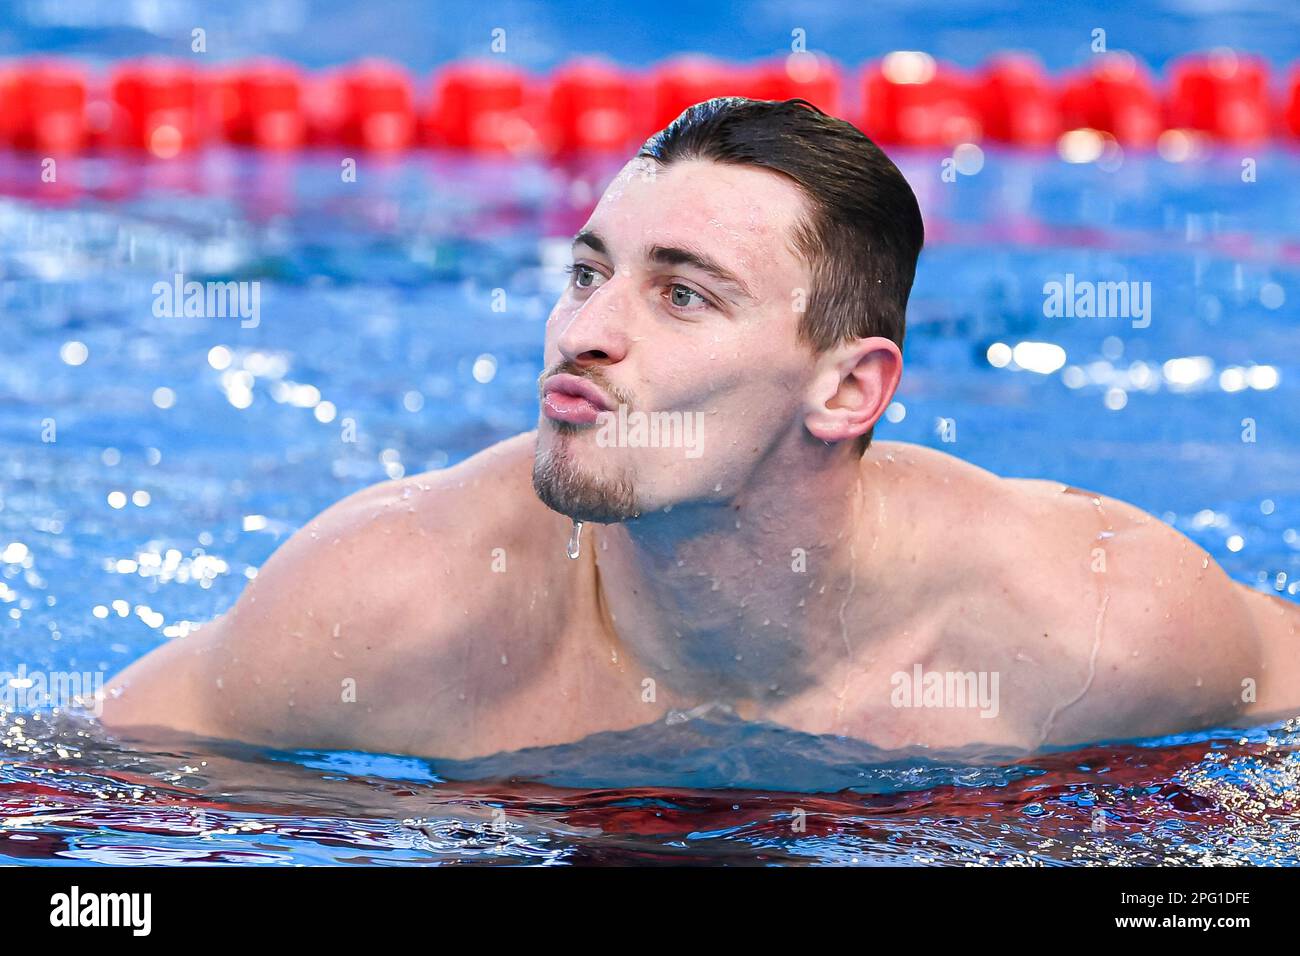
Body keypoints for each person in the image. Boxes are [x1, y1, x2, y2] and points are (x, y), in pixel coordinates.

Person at [100, 97, 1300, 761]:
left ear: (847, 390)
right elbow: (88, 786)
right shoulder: (391, 605)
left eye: (681, 293)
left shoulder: (1084, 617)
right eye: (587, 272)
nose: (583, 332)